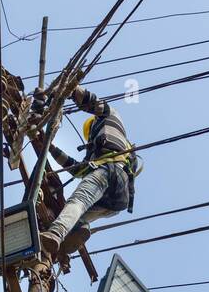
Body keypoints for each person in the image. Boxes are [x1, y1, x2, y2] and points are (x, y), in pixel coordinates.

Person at [32, 84, 138, 264]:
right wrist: (50, 148)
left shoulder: (110, 116)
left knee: (78, 202)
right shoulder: (111, 150)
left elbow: (92, 102)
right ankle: (75, 232)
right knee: (77, 218)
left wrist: (70, 89)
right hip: (118, 199)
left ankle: (56, 234)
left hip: (108, 172)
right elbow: (77, 169)